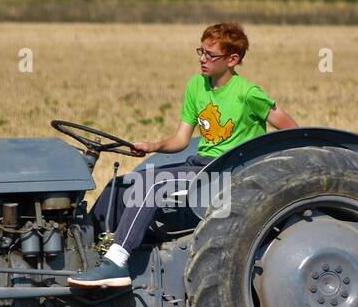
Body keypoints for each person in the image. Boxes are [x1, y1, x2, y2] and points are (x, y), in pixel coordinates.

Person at [69, 22, 298, 288]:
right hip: (201, 166)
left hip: (227, 174)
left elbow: (289, 128)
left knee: (152, 184)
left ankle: (116, 263)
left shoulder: (248, 93)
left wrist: (266, 168)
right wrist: (153, 146)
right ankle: (90, 253)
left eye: (210, 55)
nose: (202, 59)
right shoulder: (196, 86)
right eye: (200, 51)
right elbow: (181, 139)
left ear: (232, 59)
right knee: (122, 185)